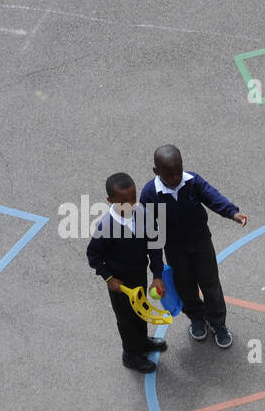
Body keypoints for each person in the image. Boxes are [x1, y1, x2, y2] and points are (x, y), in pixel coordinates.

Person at [139, 144, 248, 348]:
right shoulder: (150, 194)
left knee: (210, 284)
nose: (175, 177)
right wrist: (156, 272)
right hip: (174, 248)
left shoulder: (192, 182)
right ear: (156, 171)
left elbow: (212, 197)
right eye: (169, 174)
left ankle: (218, 323)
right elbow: (152, 234)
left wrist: (232, 212)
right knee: (185, 286)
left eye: (178, 171)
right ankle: (196, 317)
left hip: (201, 242)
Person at [86, 172, 168, 373]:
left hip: (139, 274)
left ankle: (142, 342)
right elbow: (93, 256)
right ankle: (131, 355)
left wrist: (157, 275)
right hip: (120, 284)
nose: (131, 204)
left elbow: (155, 245)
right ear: (110, 200)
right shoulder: (106, 227)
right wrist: (109, 277)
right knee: (126, 320)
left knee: (141, 310)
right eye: (124, 201)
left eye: (133, 198)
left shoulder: (143, 214)